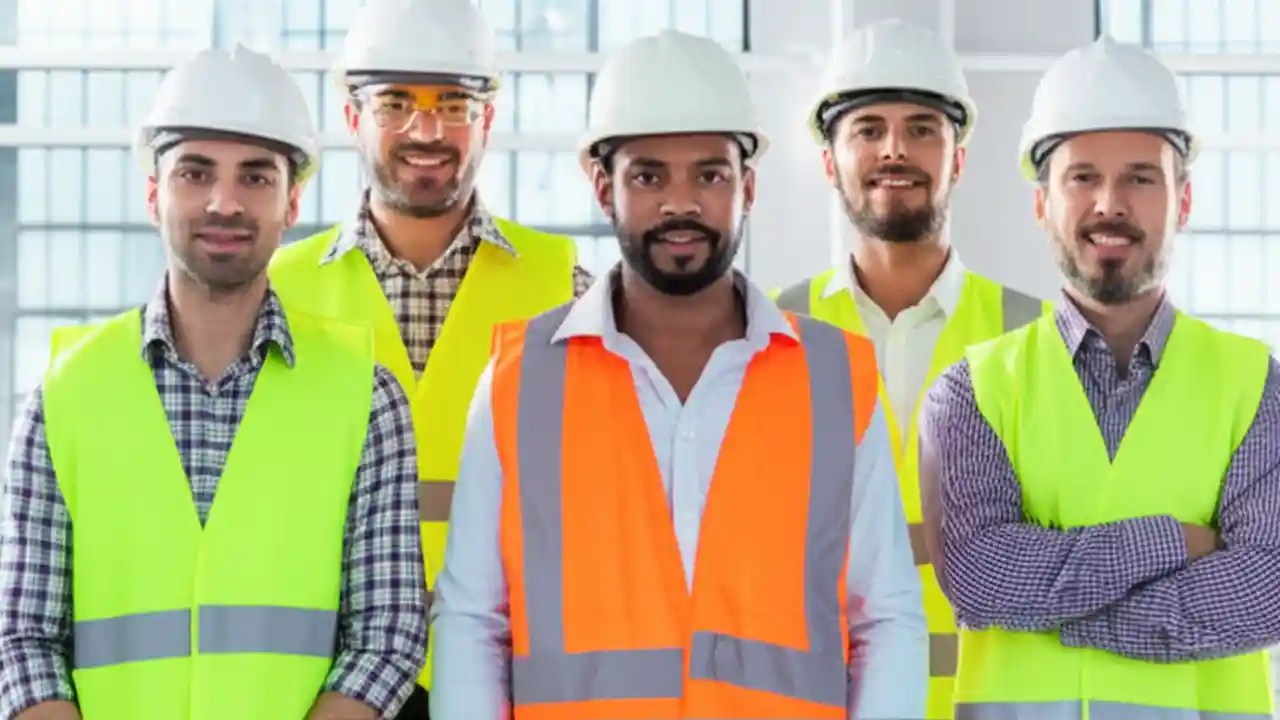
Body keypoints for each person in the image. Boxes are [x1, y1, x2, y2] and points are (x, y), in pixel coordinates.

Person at [430, 28, 927, 719]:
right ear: (604, 188)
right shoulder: (519, 382)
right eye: (649, 175)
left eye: (710, 174)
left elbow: (888, 619)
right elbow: (473, 620)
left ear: (747, 185)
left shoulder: (835, 380)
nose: (680, 203)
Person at [0, 44, 428, 720]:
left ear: (292, 204)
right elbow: (21, 641)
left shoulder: (367, 398)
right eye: (195, 173)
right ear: (153, 194)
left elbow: (387, 638)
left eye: (256, 178)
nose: (224, 202)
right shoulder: (63, 395)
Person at [919, 35, 1280, 719]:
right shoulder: (971, 393)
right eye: (1082, 176)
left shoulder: (1257, 386)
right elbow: (983, 578)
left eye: (1141, 177)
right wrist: (1177, 542)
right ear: (1041, 204)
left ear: (1184, 201)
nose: (1110, 203)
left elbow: (1263, 587)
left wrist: (1072, 617)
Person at [268, 2, 592, 711]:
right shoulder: (276, 293)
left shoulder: (564, 287)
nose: (426, 130)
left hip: (509, 675)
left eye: (453, 103)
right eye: (394, 104)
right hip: (328, 685)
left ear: (488, 118)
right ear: (352, 119)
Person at [771, 20, 1046, 717]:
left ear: (959, 158)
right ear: (829, 161)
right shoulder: (767, 333)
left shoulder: (1038, 337)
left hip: (988, 704)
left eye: (923, 128)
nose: (895, 148)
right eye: (868, 129)